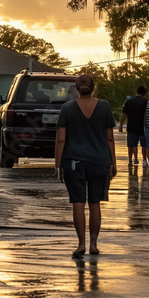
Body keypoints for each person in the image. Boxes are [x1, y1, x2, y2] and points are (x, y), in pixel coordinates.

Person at [54, 74, 117, 258]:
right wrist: (113, 162)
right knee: (95, 203)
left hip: (74, 162)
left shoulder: (67, 108)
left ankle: (81, 244)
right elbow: (110, 138)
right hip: (100, 161)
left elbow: (61, 138)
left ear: (76, 88)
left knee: (78, 203)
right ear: (93, 88)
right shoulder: (104, 106)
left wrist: (58, 164)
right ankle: (94, 244)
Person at [118, 85, 149, 167]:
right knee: (144, 145)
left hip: (131, 126)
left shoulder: (129, 102)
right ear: (145, 93)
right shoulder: (146, 102)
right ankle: (144, 160)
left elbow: (124, 114)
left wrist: (121, 125)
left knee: (131, 145)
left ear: (137, 92)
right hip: (143, 127)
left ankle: (130, 161)